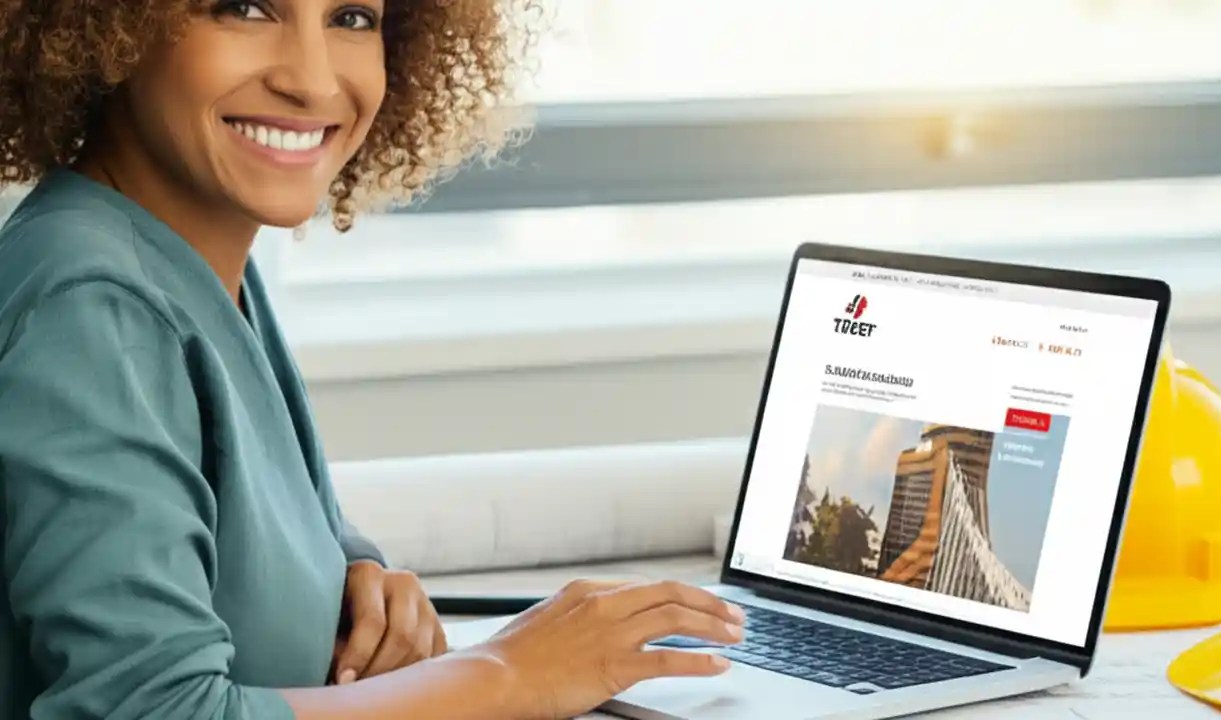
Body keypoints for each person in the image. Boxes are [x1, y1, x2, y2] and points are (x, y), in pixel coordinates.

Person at [0, 1, 745, 718]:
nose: (314, 80)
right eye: (242, 7)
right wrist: (506, 674)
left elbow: (238, 526)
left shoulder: (200, 263)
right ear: (109, 26)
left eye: (352, 17)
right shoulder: (94, 305)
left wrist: (354, 581)